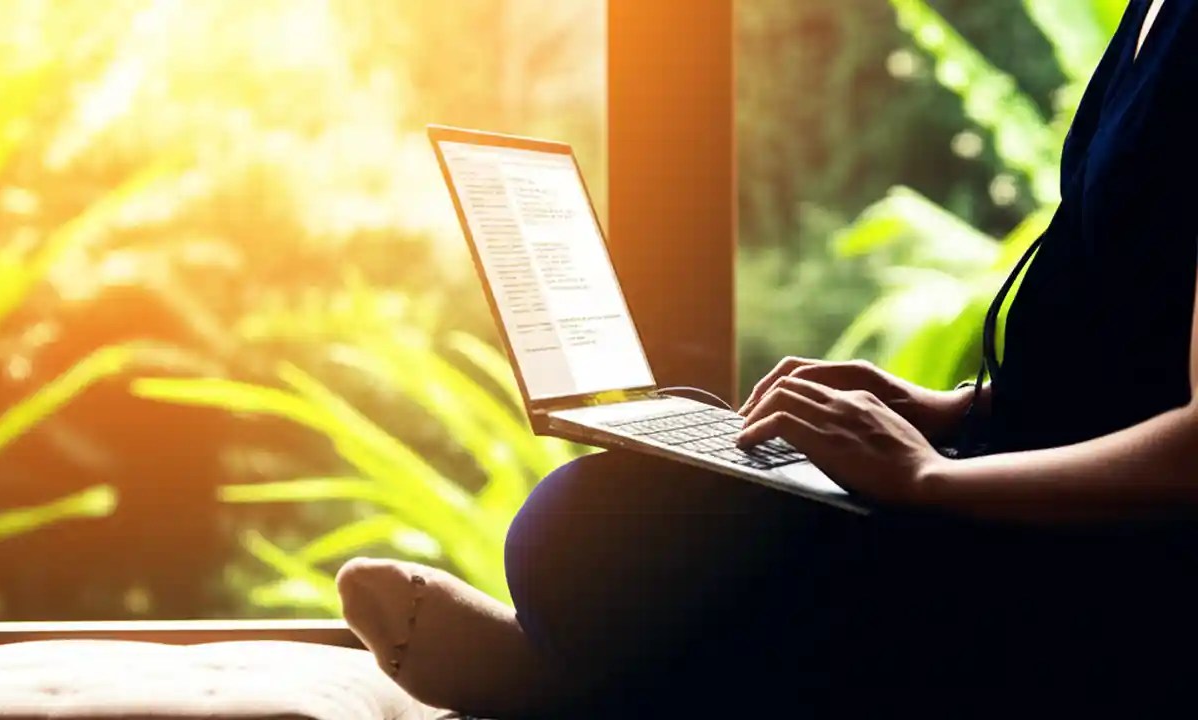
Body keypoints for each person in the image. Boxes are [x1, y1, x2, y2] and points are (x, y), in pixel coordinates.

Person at [338, 1, 1198, 716]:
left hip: (1099, 565)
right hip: (1009, 481)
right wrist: (941, 408)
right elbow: (1124, 344)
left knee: (591, 537)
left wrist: (932, 480)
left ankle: (548, 686)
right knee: (605, 519)